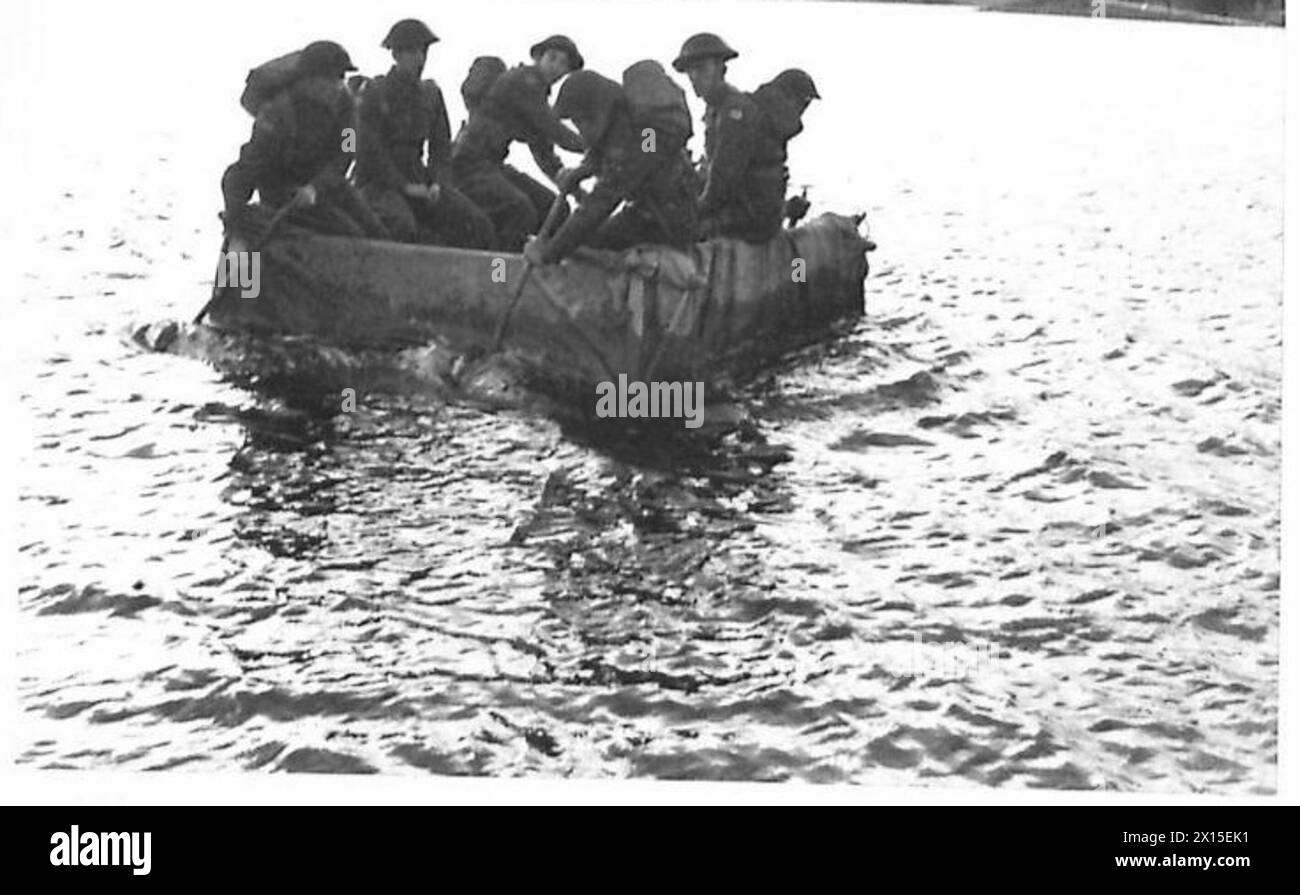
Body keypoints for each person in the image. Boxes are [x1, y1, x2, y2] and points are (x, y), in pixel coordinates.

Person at [524, 70, 697, 265]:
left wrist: (549, 254)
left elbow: (601, 201)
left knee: (585, 246)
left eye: (582, 120)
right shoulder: (619, 124)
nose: (582, 130)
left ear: (598, 110)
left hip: (668, 221)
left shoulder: (646, 136)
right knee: (585, 244)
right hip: (646, 213)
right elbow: (599, 155)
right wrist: (579, 173)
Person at [222, 40, 389, 239]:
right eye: (329, 79)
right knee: (347, 234)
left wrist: (315, 188)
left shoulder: (346, 105)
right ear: (309, 80)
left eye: (340, 79)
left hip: (327, 186)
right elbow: (250, 164)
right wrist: (236, 213)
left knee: (376, 232)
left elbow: (346, 153)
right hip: (284, 191)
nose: (337, 86)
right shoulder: (279, 113)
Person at [355, 19, 495, 248]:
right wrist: (404, 186)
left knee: (478, 224)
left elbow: (441, 148)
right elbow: (366, 149)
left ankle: (496, 279)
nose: (420, 59)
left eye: (423, 52)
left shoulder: (430, 94)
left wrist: (438, 183)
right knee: (401, 226)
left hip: (419, 176)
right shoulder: (374, 92)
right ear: (396, 54)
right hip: (378, 183)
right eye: (412, 52)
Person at [451, 35, 587, 251]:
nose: (557, 68)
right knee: (519, 208)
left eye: (563, 65)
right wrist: (593, 145)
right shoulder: (524, 80)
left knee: (556, 210)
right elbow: (553, 129)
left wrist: (574, 189)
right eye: (552, 59)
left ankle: (541, 267)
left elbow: (544, 152)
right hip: (468, 164)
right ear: (538, 58)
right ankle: (500, 274)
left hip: (491, 166)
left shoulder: (536, 96)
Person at [672, 32, 778, 243]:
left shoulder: (734, 111)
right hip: (737, 206)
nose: (693, 76)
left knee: (676, 236)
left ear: (722, 69)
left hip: (750, 214)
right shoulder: (716, 109)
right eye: (690, 71)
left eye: (701, 68)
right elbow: (713, 170)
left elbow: (724, 177)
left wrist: (697, 211)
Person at [750, 68, 820, 228]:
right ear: (791, 98)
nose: (804, 109)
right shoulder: (760, 133)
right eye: (806, 101)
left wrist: (785, 209)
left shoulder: (769, 129)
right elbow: (741, 205)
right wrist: (786, 209)